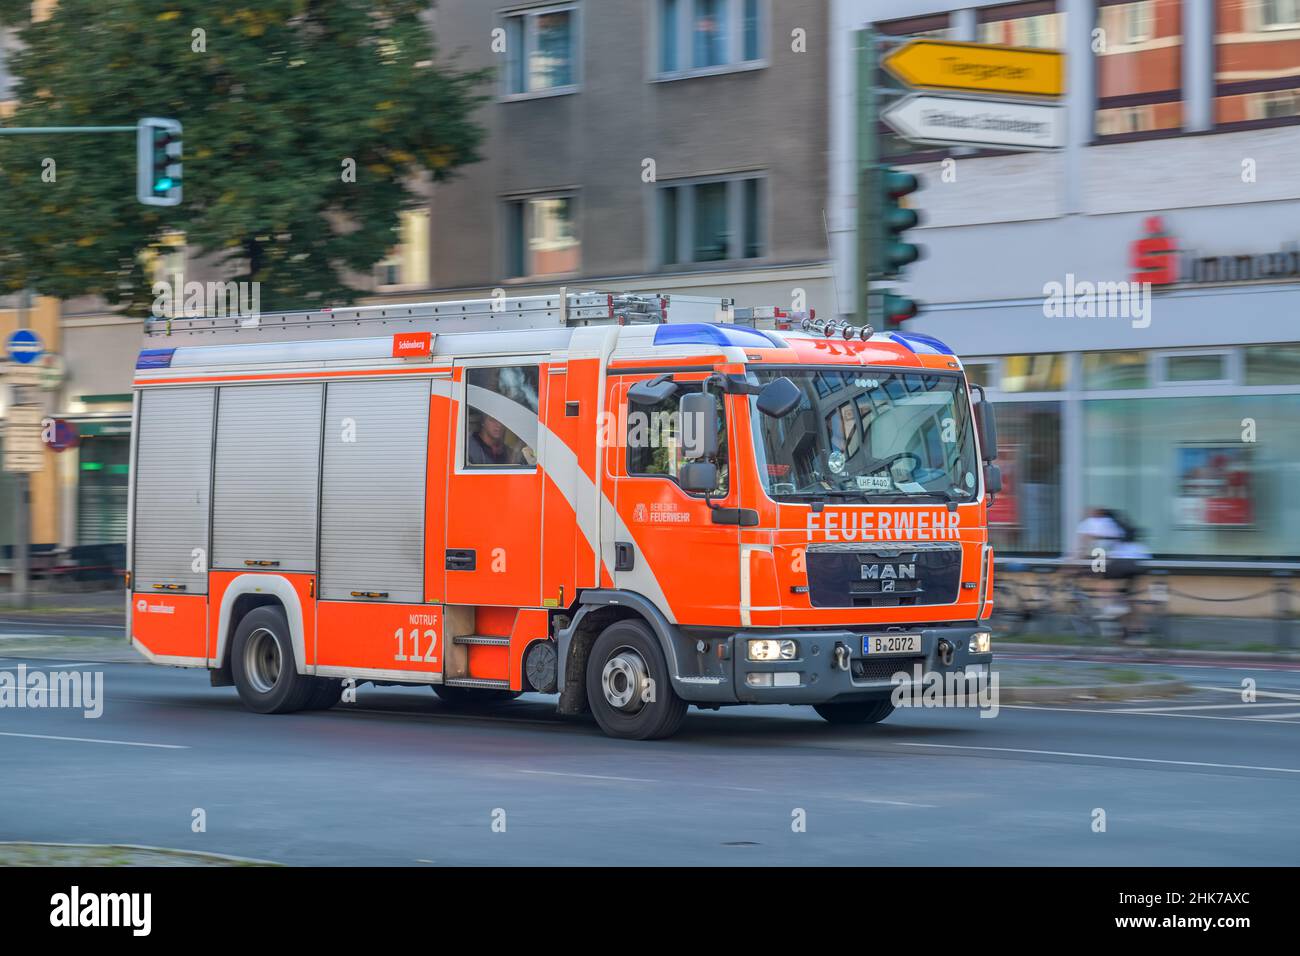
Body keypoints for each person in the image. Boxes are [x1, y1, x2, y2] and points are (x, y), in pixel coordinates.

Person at [1075, 507, 1152, 640]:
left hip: (1123, 561)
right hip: (1140, 561)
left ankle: (1112, 606)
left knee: (1101, 576)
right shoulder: (1121, 523)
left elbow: (1088, 541)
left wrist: (1077, 560)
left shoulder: (1099, 522)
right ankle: (1137, 628)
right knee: (1129, 595)